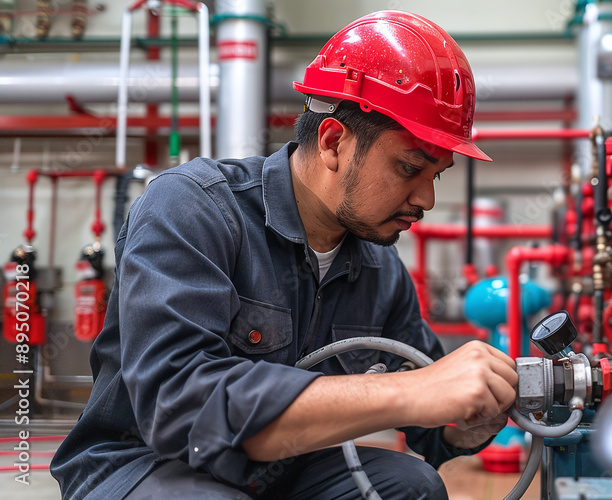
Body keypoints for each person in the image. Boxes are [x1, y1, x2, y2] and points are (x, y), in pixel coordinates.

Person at [51, 11, 517, 500]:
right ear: (334, 141)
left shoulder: (380, 271)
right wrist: (408, 392)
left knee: (412, 486)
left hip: (282, 470)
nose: (427, 200)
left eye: (436, 176)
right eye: (408, 168)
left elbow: (434, 430)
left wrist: (483, 408)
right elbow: (182, 408)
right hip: (146, 464)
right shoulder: (192, 208)